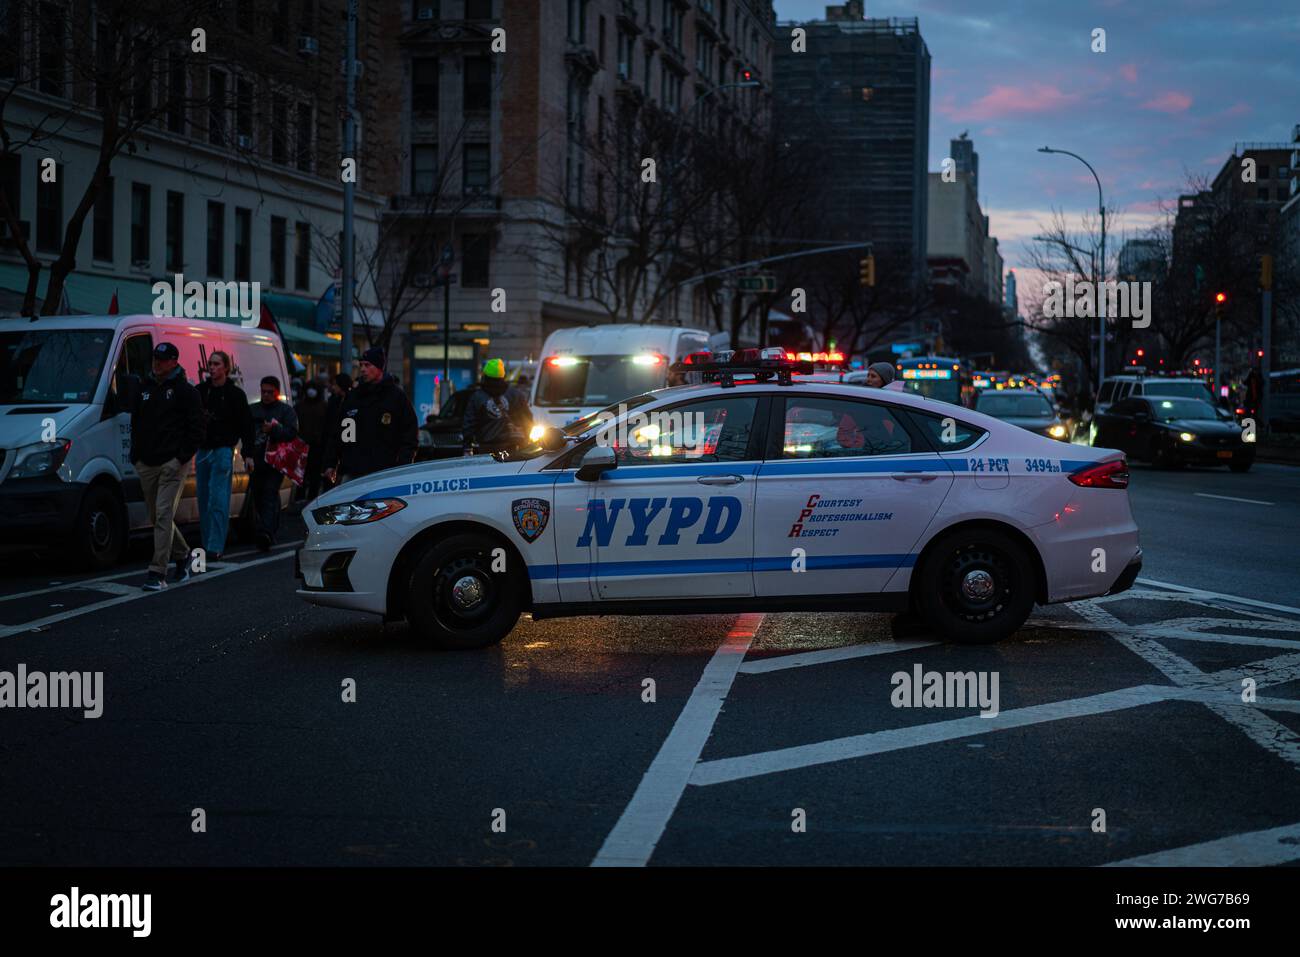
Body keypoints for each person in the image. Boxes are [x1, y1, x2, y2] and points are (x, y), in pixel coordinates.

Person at [129, 342, 203, 591]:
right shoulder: (144, 388)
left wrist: (180, 458)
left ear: (174, 361)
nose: (156, 363)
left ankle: (157, 572)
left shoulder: (186, 391)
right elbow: (136, 422)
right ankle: (183, 554)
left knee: (162, 514)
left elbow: (196, 429)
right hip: (147, 462)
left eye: (162, 359)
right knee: (157, 516)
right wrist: (136, 457)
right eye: (154, 358)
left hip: (172, 463)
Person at [322, 347, 418, 484]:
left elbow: (409, 434)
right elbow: (341, 434)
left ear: (379, 367)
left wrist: (403, 464)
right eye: (361, 365)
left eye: (367, 365)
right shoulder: (353, 397)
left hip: (384, 472)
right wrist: (331, 462)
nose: (362, 369)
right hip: (353, 471)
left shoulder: (396, 397)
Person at [195, 351, 254, 562]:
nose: (212, 368)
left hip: (222, 450)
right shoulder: (200, 391)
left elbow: (246, 425)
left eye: (216, 364)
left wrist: (248, 454)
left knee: (218, 498)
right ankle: (207, 542)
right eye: (210, 364)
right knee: (203, 499)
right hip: (203, 450)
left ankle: (215, 546)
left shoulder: (235, 395)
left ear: (226, 368)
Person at [249, 376, 298, 551]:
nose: (266, 395)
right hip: (256, 460)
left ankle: (266, 532)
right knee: (259, 496)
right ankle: (268, 527)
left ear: (277, 392)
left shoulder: (285, 411)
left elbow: (292, 432)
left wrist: (275, 429)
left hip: (276, 462)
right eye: (264, 391)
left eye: (270, 392)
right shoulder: (253, 410)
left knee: (269, 493)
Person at [462, 358, 533, 455]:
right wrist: (525, 441)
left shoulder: (477, 397)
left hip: (486, 449)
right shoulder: (515, 394)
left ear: (485, 375)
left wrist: (467, 447)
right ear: (503, 375)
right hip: (512, 448)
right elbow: (528, 419)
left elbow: (469, 424)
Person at [294, 377, 329, 501]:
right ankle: (300, 497)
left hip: (317, 447)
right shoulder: (300, 406)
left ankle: (311, 498)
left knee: (314, 475)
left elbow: (327, 427)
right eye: (309, 388)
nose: (311, 391)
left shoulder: (324, 407)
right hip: (302, 445)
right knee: (301, 473)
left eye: (313, 389)